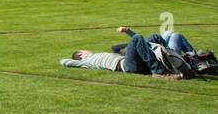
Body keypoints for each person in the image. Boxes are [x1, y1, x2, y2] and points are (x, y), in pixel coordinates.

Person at [59, 27, 195, 78]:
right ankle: (159, 71)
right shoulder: (87, 61)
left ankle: (178, 61)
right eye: (85, 50)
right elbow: (64, 62)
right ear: (81, 54)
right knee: (137, 38)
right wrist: (78, 61)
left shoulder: (98, 56)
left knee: (153, 37)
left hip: (133, 62)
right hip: (126, 66)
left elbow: (116, 48)